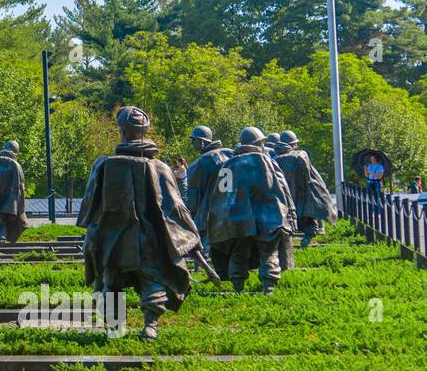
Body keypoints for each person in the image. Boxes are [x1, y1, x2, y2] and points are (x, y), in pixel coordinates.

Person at [76, 106, 200, 340]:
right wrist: (192, 236)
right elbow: (176, 207)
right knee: (152, 279)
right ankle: (150, 325)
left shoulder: (103, 165)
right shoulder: (160, 167)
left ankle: (114, 328)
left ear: (121, 131)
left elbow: (88, 207)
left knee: (110, 282)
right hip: (147, 240)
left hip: (112, 241)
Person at [204, 127, 295, 294]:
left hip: (238, 218)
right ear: (258, 143)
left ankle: (238, 286)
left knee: (239, 252)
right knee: (268, 251)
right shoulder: (266, 160)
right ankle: (269, 286)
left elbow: (222, 194)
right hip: (267, 217)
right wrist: (291, 212)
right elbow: (283, 188)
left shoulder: (228, 164)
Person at [183, 125, 233, 272]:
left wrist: (191, 213)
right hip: (233, 207)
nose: (193, 144)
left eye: (194, 141)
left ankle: (202, 270)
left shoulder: (199, 163)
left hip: (209, 211)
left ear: (202, 142)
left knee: (203, 242)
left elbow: (194, 195)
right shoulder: (231, 155)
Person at [275, 131, 336, 251]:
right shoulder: (300, 154)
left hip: (285, 197)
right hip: (301, 194)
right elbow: (308, 176)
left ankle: (288, 242)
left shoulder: (276, 159)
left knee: (288, 220)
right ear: (293, 144)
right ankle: (307, 237)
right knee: (307, 220)